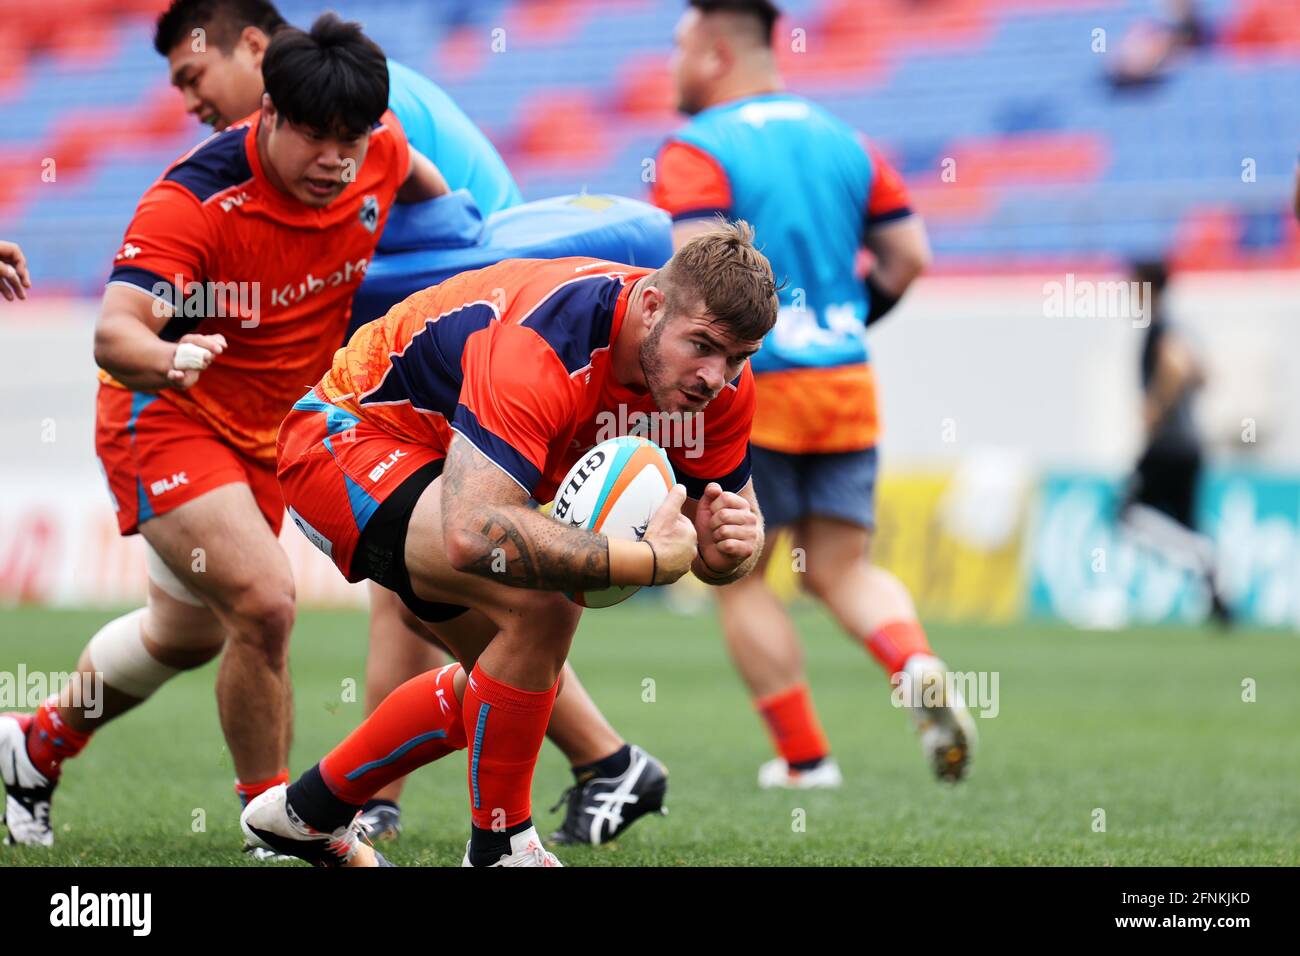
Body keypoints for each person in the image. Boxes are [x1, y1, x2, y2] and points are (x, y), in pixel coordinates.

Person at [151, 0, 671, 846]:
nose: (190, 101)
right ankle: (559, 778)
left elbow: (439, 223)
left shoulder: (336, 116)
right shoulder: (314, 129)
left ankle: (378, 806)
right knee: (456, 603)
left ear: (253, 49)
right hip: (431, 364)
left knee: (471, 595)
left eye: (193, 76)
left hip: (467, 355)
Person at [0, 14, 448, 852]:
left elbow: (434, 200)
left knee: (185, 634)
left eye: (351, 140)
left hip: (273, 433)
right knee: (267, 602)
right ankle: (276, 823)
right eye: (316, 137)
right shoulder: (193, 199)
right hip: (166, 415)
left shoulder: (378, 154)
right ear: (270, 112)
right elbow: (116, 333)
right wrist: (167, 361)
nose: (336, 161)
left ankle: (35, 743)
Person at [242, 224, 775, 866]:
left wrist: (729, 549)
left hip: (440, 469)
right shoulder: (546, 339)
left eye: (739, 358)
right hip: (343, 441)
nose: (717, 376)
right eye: (704, 347)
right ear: (652, 305)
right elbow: (472, 533)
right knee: (545, 606)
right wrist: (645, 563)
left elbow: (729, 536)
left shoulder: (713, 386)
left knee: (503, 688)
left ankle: (305, 814)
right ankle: (501, 848)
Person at [650, 0, 975, 789]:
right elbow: (909, 257)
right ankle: (916, 663)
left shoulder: (697, 149)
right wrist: (843, 323)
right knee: (842, 568)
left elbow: (697, 290)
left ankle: (806, 760)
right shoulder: (849, 143)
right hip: (847, 381)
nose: (672, 66)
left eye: (680, 47)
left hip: (753, 394)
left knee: (740, 574)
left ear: (718, 52)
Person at [1119, 260, 1231, 625]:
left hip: (1167, 445)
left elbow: (1176, 367)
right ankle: (1217, 600)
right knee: (1184, 522)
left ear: (1148, 288)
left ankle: (1201, 553)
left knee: (1130, 513)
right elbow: (1201, 372)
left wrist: (1156, 405)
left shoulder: (1160, 327)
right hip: (1190, 446)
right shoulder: (1179, 327)